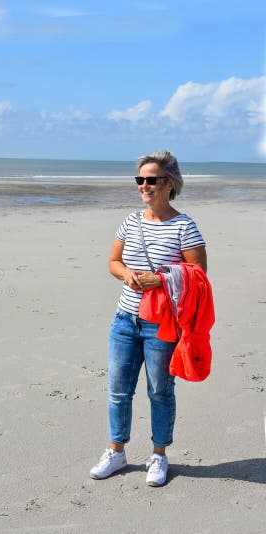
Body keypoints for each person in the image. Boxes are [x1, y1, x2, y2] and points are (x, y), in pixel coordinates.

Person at [89, 150, 207, 487]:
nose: (144, 185)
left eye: (151, 180)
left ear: (169, 184)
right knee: (118, 389)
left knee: (159, 390)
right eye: (139, 180)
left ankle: (158, 455)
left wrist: (162, 278)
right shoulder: (130, 220)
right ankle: (116, 451)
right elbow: (113, 261)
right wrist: (126, 274)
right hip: (125, 318)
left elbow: (199, 274)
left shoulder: (184, 225)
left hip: (163, 324)